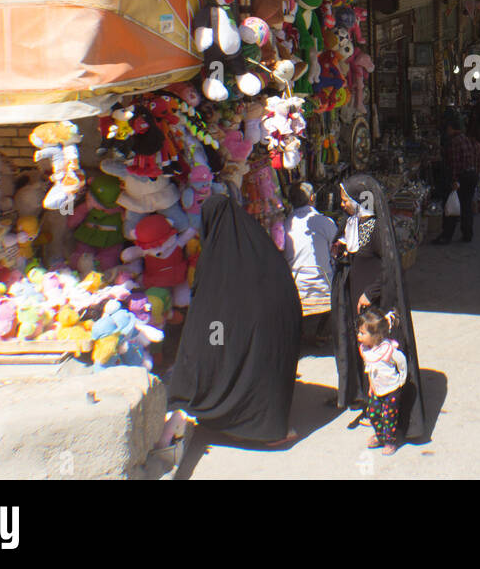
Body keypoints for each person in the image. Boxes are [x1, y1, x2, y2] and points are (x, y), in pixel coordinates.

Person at [165, 194, 303, 446]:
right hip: (279, 317)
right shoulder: (254, 238)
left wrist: (209, 338)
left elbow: (212, 302)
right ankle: (267, 425)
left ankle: (225, 414)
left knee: (216, 348)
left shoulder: (218, 252)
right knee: (255, 362)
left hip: (249, 321)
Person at [331, 174, 427, 442]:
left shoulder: (375, 228)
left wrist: (369, 292)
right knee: (365, 353)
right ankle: (371, 404)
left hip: (374, 302)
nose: (342, 203)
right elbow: (352, 252)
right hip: (355, 298)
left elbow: (388, 264)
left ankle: (391, 421)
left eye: (344, 198)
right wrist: (340, 250)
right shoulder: (353, 223)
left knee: (383, 355)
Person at [282, 181, 338, 342]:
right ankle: (322, 333)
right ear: (312, 198)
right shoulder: (325, 222)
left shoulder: (285, 224)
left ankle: (299, 332)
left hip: (296, 285)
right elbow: (335, 250)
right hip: (323, 285)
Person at [357, 308, 408, 455]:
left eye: (362, 333)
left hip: (391, 389)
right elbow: (369, 367)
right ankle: (380, 435)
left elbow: (402, 361)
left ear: (376, 335)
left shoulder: (388, 349)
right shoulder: (366, 350)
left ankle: (390, 441)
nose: (359, 336)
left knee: (389, 417)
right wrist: (371, 385)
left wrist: (402, 379)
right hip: (376, 390)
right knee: (373, 414)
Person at [434, 114, 480, 244]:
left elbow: (455, 164)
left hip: (462, 177)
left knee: (453, 205)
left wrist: (454, 181)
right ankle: (467, 233)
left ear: (450, 128)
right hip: (471, 175)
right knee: (466, 206)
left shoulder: (454, 142)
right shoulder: (464, 138)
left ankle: (447, 235)